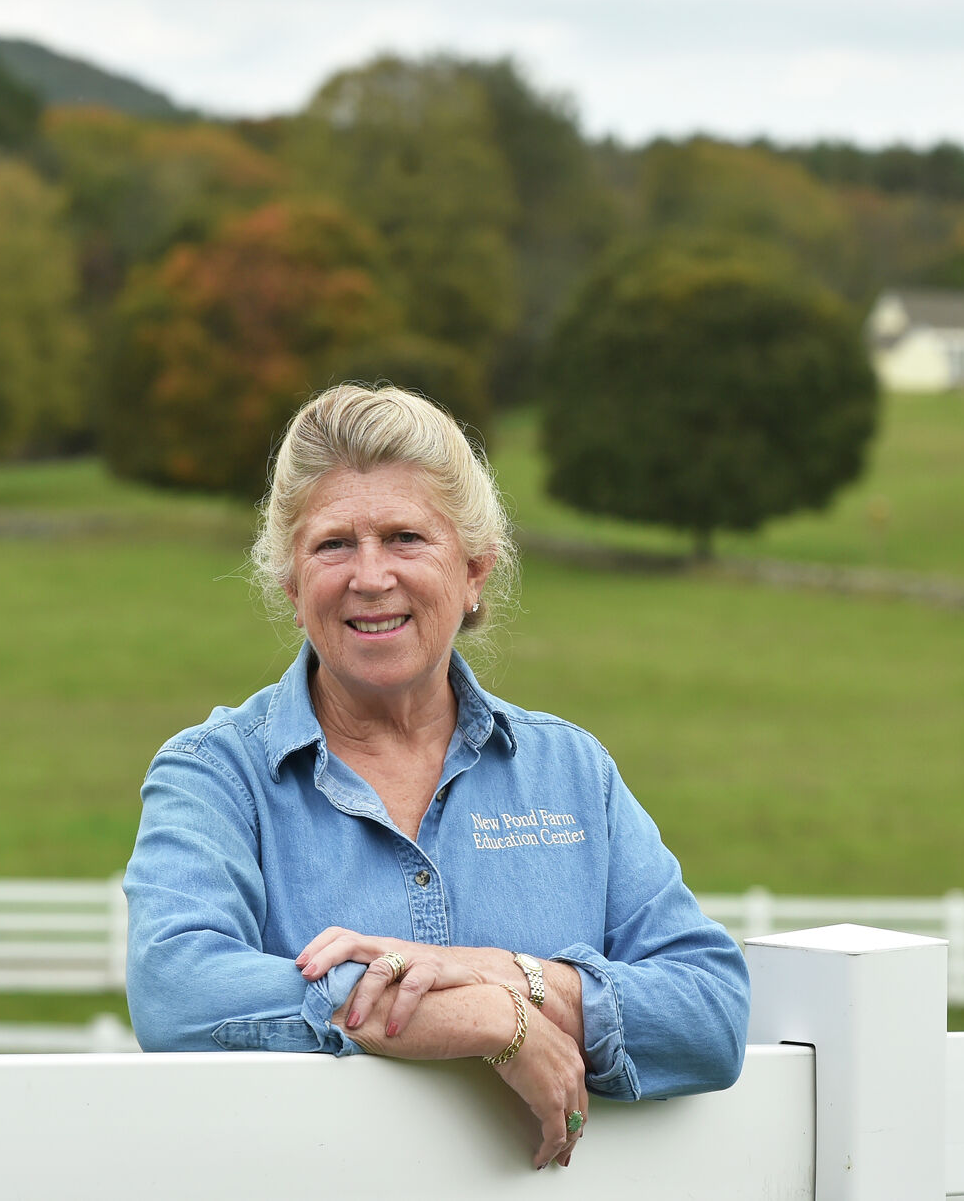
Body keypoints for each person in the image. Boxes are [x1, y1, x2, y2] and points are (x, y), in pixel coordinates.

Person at [124, 383, 750, 1169]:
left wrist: (506, 975)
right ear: (291, 587)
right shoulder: (214, 774)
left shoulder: (570, 770)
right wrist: (485, 1022)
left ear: (475, 571)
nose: (370, 575)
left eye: (405, 537)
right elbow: (178, 992)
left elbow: (712, 1009)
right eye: (333, 545)